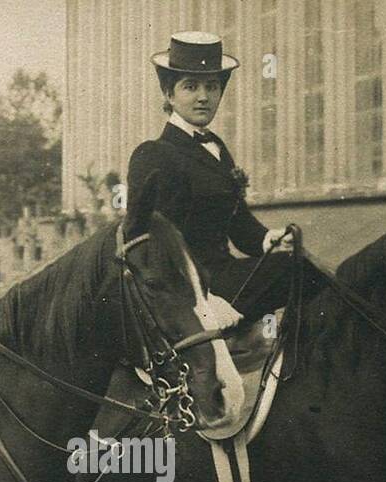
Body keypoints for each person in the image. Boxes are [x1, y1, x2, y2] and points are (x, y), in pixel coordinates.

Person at [127, 31, 326, 333]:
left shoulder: (216, 148)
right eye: (190, 87)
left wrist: (269, 239)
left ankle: (297, 363)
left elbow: (239, 224)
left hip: (224, 273)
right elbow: (151, 250)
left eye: (212, 86)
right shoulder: (155, 154)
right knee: (298, 272)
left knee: (303, 267)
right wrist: (204, 301)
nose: (203, 96)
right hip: (190, 289)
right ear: (169, 94)